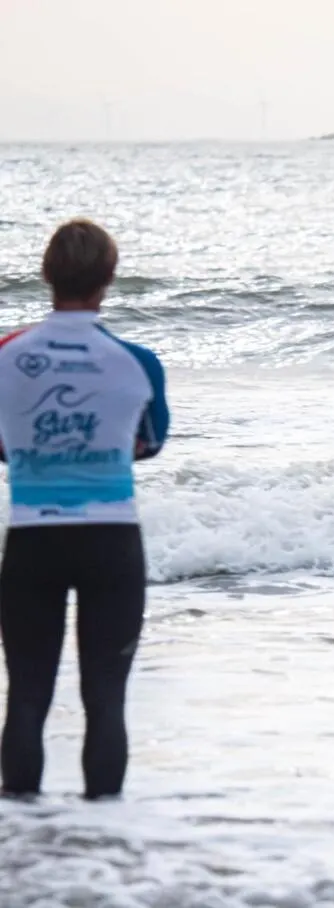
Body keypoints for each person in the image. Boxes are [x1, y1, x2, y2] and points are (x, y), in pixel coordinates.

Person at [0, 219, 169, 800]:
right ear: (110, 278)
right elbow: (150, 443)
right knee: (106, 698)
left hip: (31, 540)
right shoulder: (135, 360)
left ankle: (23, 839)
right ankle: (102, 844)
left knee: (26, 694)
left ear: (47, 275)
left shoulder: (6, 354)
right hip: (111, 541)